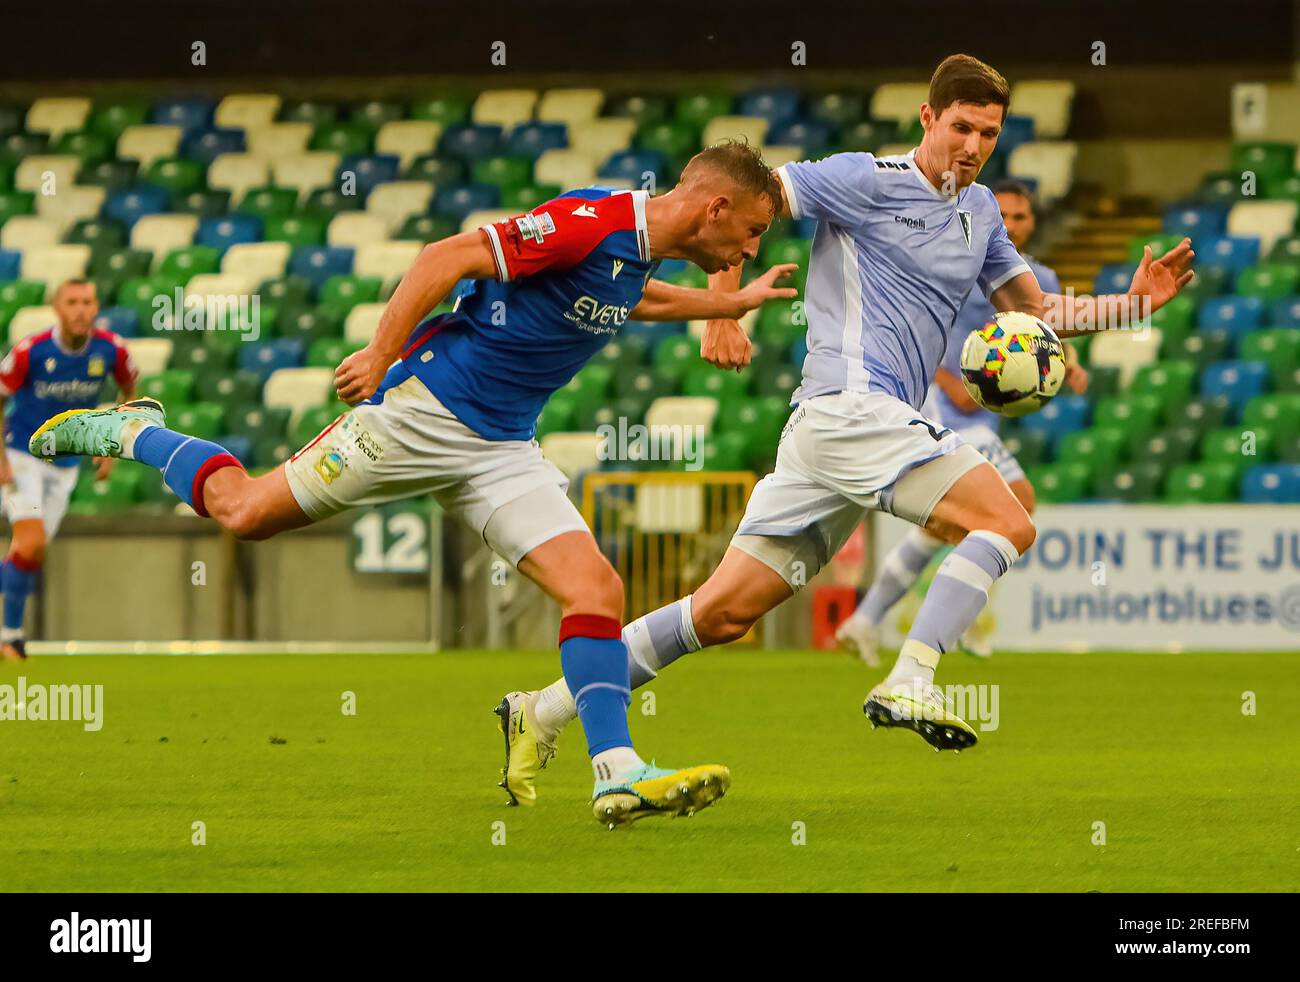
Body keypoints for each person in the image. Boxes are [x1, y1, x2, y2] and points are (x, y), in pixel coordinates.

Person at [30, 143, 796, 826]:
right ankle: (136, 430)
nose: (753, 246)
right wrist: (378, 352)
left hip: (501, 447)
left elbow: (631, 299)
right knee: (245, 513)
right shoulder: (591, 221)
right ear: (716, 207)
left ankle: (615, 772)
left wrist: (727, 303)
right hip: (418, 413)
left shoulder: (641, 254)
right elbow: (444, 256)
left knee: (596, 589)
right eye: (753, 231)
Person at [501, 53, 1193, 803]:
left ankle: (540, 710)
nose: (972, 145)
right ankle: (911, 676)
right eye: (961, 126)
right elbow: (742, 198)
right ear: (928, 118)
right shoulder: (864, 178)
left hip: (831, 432)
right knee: (1007, 519)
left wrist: (1134, 305)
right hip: (853, 406)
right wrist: (724, 302)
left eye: (988, 133)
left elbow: (1037, 316)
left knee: (723, 613)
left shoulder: (982, 211)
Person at [836, 179, 1089, 663]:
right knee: (1018, 500)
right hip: (943, 399)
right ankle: (958, 621)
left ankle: (867, 620)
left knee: (949, 523)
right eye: (1006, 215)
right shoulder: (962, 259)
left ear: (1033, 222)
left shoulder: (1041, 280)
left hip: (984, 410)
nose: (1013, 225)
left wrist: (1068, 361)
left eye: (1021, 217)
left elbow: (1045, 333)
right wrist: (946, 379)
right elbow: (914, 322)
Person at [0, 279, 137, 661]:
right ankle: (11, 639)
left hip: (65, 464)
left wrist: (111, 444)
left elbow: (129, 393)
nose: (81, 309)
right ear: (57, 309)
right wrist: (2, 460)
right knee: (29, 541)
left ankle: (9, 637)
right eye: (72, 302)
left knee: (32, 553)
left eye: (88, 302)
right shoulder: (32, 350)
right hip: (23, 454)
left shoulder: (111, 350)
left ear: (97, 307)